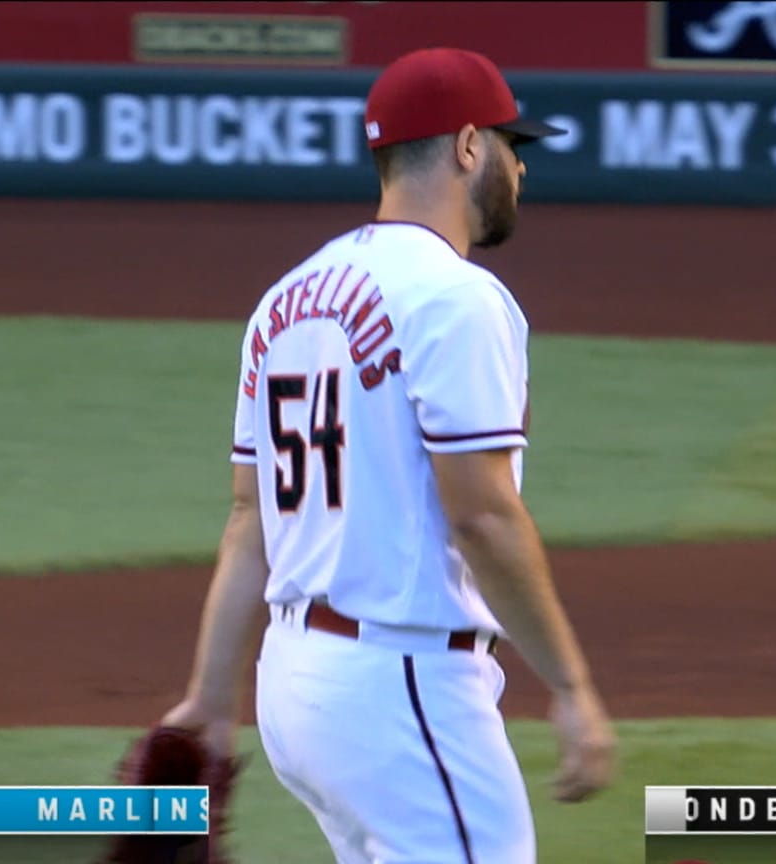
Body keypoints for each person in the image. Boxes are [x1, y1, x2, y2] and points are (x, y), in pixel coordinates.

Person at [158, 46, 616, 862]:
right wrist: (574, 688)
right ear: (469, 147)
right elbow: (480, 515)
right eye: (514, 148)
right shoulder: (458, 298)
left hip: (295, 683)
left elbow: (246, 516)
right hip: (400, 685)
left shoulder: (285, 299)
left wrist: (210, 697)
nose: (520, 169)